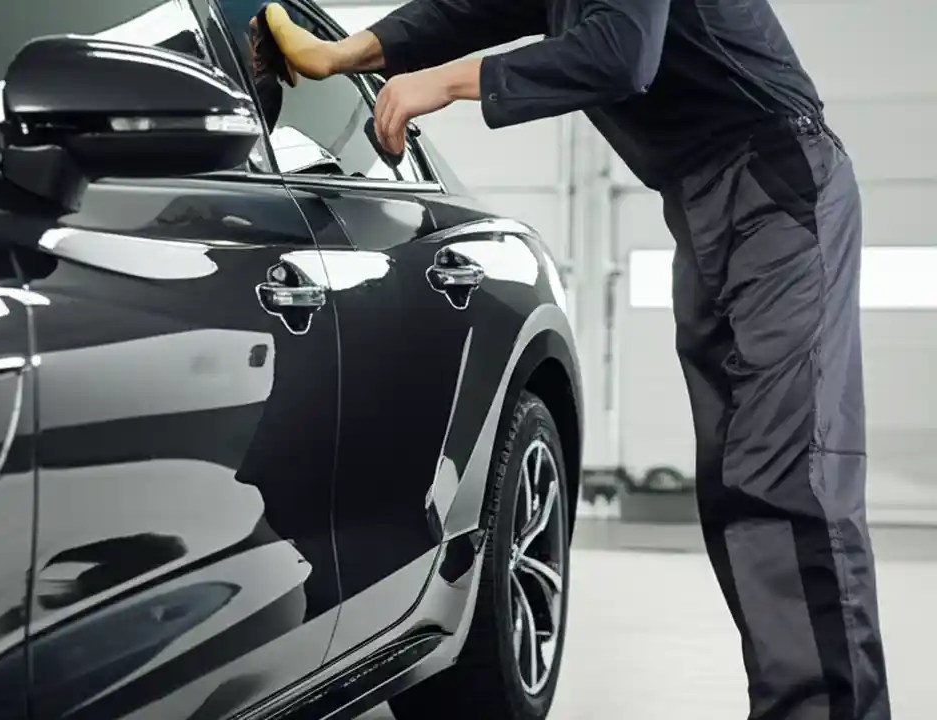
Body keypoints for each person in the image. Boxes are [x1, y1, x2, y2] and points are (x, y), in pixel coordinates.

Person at [261, 1, 890, 717]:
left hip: (771, 180)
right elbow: (467, 11)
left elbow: (620, 51)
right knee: (739, 486)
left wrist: (442, 83)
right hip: (705, 200)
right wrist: (342, 54)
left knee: (783, 475)